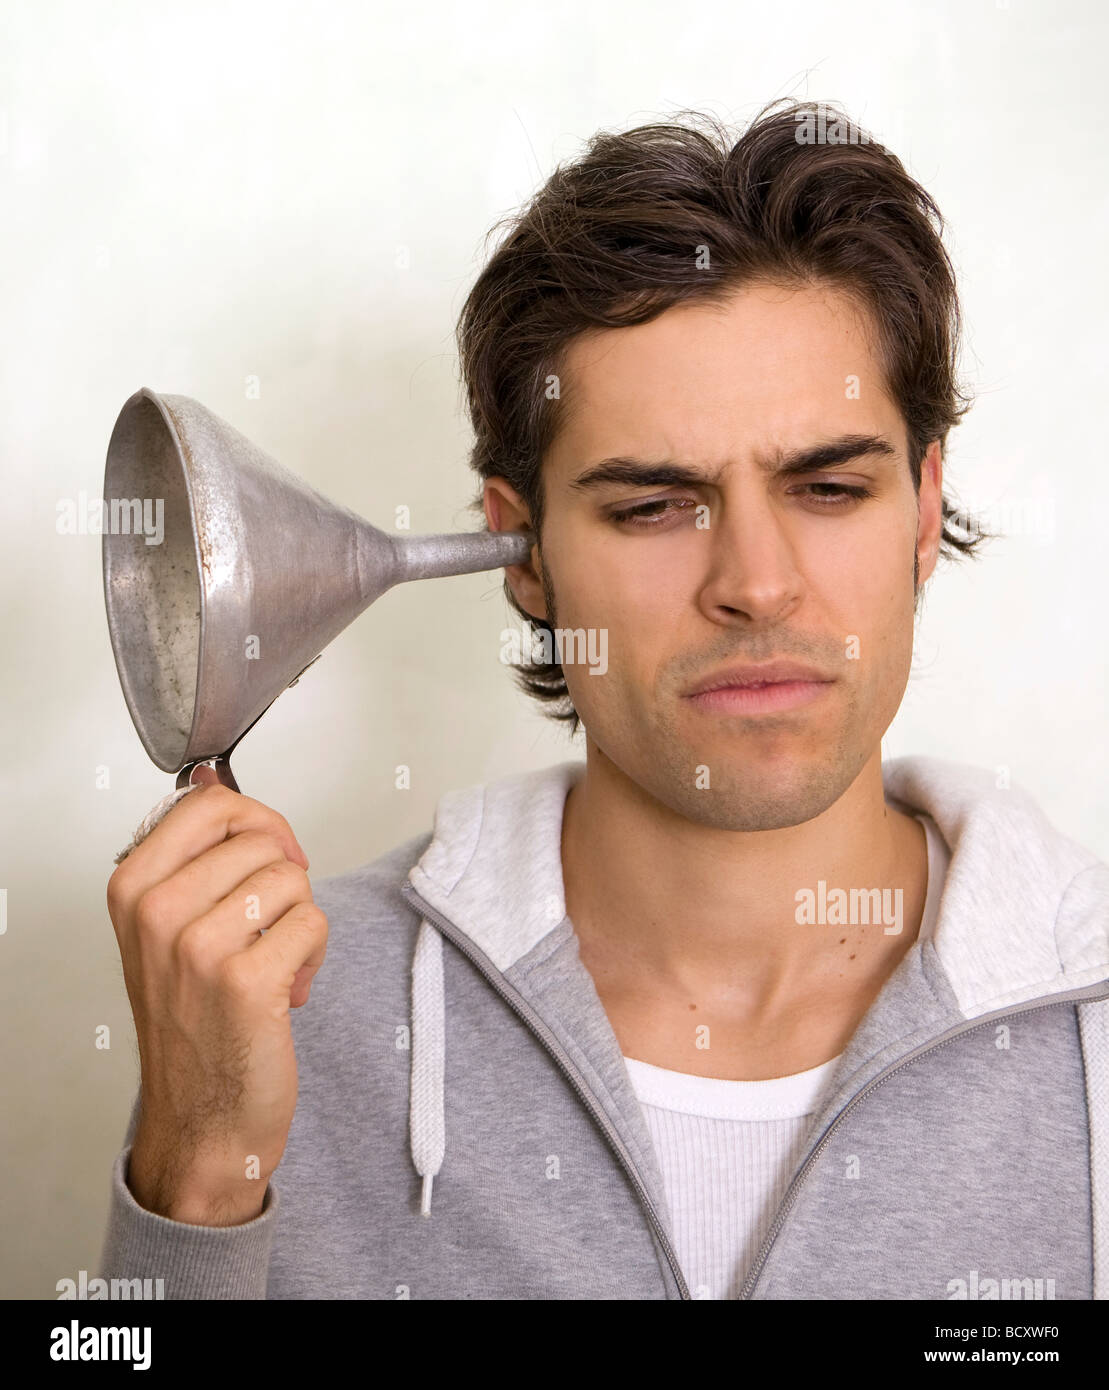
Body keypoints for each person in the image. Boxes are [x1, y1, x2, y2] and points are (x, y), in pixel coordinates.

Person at [99, 100, 1109, 1300]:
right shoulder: (283, 1005)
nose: (755, 583)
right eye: (648, 506)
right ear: (520, 550)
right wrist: (200, 1169)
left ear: (922, 504)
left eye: (828, 486)